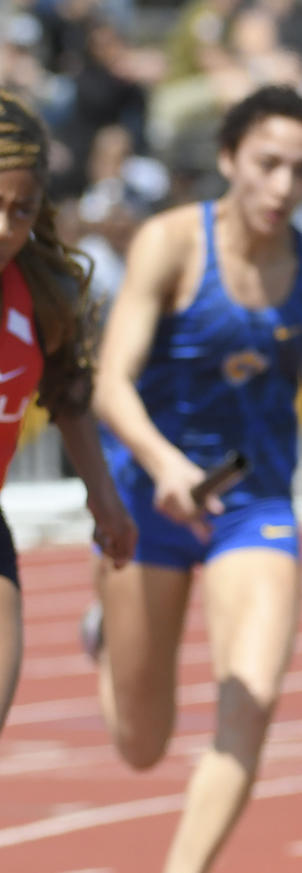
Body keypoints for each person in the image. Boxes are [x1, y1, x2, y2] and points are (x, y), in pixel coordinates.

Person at [90, 84, 302, 873]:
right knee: (141, 742)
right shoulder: (170, 242)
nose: (283, 186)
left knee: (252, 699)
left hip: (253, 505)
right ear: (230, 158)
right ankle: (106, 633)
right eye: (268, 164)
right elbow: (109, 383)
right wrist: (163, 463)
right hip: (149, 498)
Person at [0, 90, 135, 736]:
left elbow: (69, 391)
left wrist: (103, 497)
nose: (5, 228)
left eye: (21, 210)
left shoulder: (42, 293)